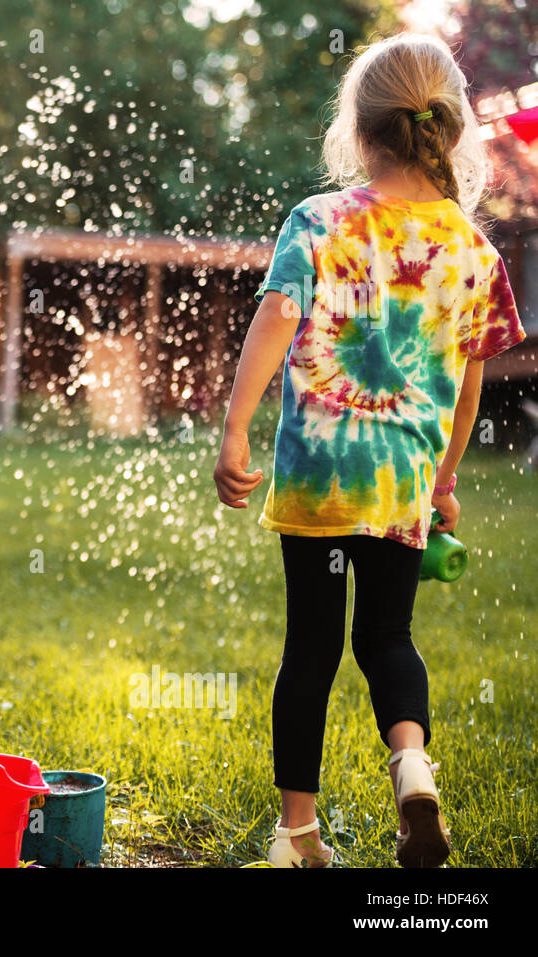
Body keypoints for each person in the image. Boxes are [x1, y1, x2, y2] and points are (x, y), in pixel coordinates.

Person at [213, 34, 525, 868]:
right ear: (448, 131)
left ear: (358, 131)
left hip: (319, 483)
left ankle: (297, 835)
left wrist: (237, 426)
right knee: (389, 636)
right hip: (400, 489)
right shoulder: (472, 250)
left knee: (309, 649)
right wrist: (444, 478)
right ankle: (412, 764)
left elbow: (276, 317)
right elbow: (467, 386)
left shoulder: (318, 221)